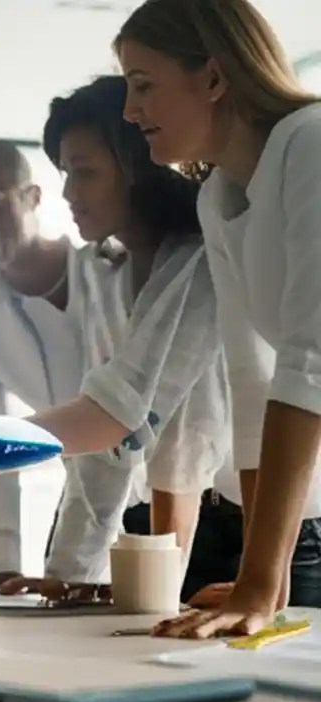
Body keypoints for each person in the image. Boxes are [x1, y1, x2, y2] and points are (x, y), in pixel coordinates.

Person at [114, 0, 321, 637]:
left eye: (143, 85)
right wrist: (267, 576)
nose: (130, 111)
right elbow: (252, 381)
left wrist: (261, 582)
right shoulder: (220, 195)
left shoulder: (312, 143)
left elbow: (310, 363)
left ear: (212, 77)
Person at [0, 75, 230, 601]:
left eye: (86, 173)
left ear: (140, 172)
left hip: (251, 535)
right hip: (175, 530)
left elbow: (123, 420)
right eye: (65, 174)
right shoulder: (108, 273)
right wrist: (71, 576)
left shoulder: (202, 263)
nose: (69, 194)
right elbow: (104, 450)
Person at [0, 139, 149, 591]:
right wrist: (6, 562)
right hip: (85, 488)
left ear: (33, 198)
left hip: (171, 486)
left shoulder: (113, 269)